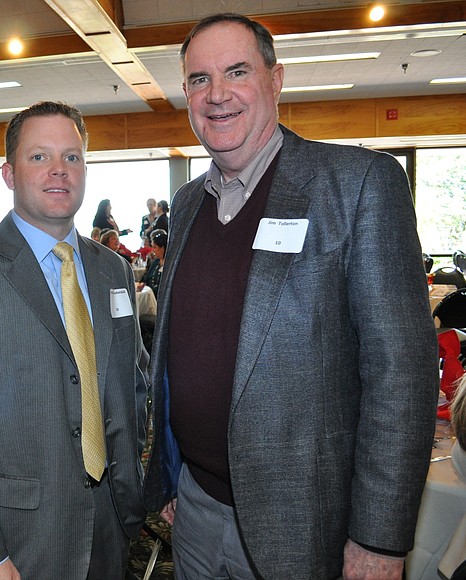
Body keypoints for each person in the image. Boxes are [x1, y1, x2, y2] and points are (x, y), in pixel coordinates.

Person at [142, 13, 438, 580]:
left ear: (276, 81)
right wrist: (172, 472)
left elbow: (402, 374)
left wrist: (378, 541)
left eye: (237, 72)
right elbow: (179, 356)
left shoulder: (356, 184)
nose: (217, 94)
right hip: (195, 508)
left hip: (306, 525)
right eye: (199, 79)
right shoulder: (184, 206)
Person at [0, 101, 148, 579]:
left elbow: (134, 382)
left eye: (72, 156)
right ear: (8, 173)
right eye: (39, 157)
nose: (59, 171)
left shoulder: (114, 271)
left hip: (113, 524)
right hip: (18, 541)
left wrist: (134, 487)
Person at [137, 228, 166, 297]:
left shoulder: (170, 265)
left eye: (155, 247)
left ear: (162, 248)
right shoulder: (156, 262)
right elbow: (146, 278)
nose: (152, 250)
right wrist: (142, 283)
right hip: (150, 296)